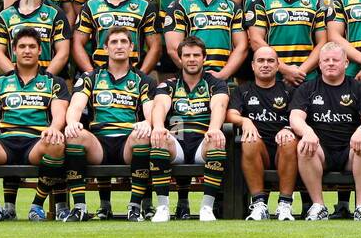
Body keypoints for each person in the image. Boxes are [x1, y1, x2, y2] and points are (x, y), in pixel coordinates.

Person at [0, 29, 67, 222]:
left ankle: (37, 206)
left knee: (56, 144)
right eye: (22, 47)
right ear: (14, 51)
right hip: (5, 145)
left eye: (32, 46)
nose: (27, 51)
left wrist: (54, 128)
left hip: (36, 143)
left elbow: (60, 115)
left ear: (39, 51)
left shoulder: (54, 83)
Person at [61, 26, 154, 221]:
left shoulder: (143, 79)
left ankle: (134, 207)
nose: (119, 46)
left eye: (123, 42)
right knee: (74, 135)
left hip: (128, 141)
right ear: (105, 48)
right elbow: (75, 106)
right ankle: (79, 208)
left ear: (131, 48)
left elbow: (150, 110)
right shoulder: (91, 77)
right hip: (99, 143)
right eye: (114, 42)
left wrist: (147, 122)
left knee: (143, 135)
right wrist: (71, 122)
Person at [289, 43, 361, 220]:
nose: (330, 63)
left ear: (346, 63)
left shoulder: (359, 88)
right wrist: (307, 131)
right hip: (320, 151)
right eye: (326, 60)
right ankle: (319, 206)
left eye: (335, 60)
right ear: (319, 64)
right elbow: (295, 117)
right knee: (303, 146)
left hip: (351, 152)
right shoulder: (307, 88)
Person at [148, 37, 230, 222]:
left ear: (204, 58)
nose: (192, 59)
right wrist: (159, 127)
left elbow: (220, 106)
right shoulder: (169, 84)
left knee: (217, 140)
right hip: (177, 139)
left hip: (203, 140)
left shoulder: (216, 83)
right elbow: (160, 105)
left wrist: (215, 129)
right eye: (187, 55)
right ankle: (162, 207)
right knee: (160, 138)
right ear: (180, 59)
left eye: (196, 55)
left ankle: (206, 208)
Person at [227, 46, 300, 221]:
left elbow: (299, 116)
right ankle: (259, 204)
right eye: (260, 61)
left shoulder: (289, 91)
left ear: (277, 66)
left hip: (283, 148)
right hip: (258, 149)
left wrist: (288, 128)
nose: (265, 65)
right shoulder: (242, 90)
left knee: (289, 140)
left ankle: (285, 205)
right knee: (250, 140)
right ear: (253, 65)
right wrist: (245, 121)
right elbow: (231, 114)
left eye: (270, 61)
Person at [245, 0, 327, 84]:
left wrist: (300, 72)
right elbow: (255, 40)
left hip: (307, 79)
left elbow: (323, 42)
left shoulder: (316, 1)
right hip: (271, 78)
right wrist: (285, 69)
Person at [72, 0, 161, 75]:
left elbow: (155, 47)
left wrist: (140, 77)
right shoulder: (91, 6)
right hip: (99, 78)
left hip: (134, 77)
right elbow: (77, 43)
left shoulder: (146, 7)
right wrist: (92, 75)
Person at [164, 0, 247, 80]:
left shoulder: (232, 7)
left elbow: (242, 46)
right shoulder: (178, 6)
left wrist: (223, 74)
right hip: (190, 80)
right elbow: (173, 49)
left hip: (224, 79)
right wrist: (196, 74)